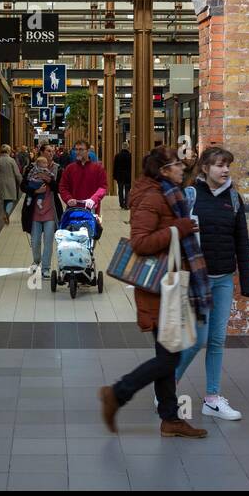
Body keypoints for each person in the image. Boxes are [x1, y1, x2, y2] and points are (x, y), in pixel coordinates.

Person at [98, 146, 209, 438]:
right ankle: (118, 393)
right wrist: (179, 229)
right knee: (169, 356)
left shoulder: (170, 194)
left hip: (169, 286)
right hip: (159, 288)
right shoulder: (152, 198)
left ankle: (170, 419)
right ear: (163, 171)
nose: (182, 167)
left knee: (168, 352)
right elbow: (140, 242)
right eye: (176, 164)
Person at [174, 146, 249, 421]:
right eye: (220, 165)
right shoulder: (190, 196)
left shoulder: (233, 199)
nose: (225, 170)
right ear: (205, 168)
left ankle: (212, 398)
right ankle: (166, 387)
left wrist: (247, 280)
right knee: (199, 339)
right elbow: (175, 235)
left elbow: (241, 241)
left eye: (227, 165)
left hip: (223, 279)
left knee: (218, 339)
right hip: (197, 279)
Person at [21, 155, 63, 277]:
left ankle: (46, 268)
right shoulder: (31, 170)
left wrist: (49, 180)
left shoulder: (57, 170)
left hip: (50, 211)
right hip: (34, 212)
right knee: (35, 241)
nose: (51, 154)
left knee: (48, 241)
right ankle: (36, 260)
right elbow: (23, 186)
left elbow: (59, 188)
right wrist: (35, 192)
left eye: (51, 152)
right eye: (48, 151)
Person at [59, 140, 108, 216]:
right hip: (73, 210)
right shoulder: (69, 168)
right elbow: (63, 187)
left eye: (81, 149)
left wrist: (93, 199)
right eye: (76, 149)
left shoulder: (98, 168)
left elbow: (103, 187)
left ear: (88, 151)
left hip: (92, 210)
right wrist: (68, 198)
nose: (78, 152)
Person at [0, 145, 22, 225]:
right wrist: (21, 182)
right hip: (11, 181)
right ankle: (7, 213)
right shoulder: (11, 160)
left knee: (5, 199)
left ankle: (6, 215)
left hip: (1, 181)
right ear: (8, 151)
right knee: (11, 199)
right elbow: (17, 173)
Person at [113, 142, 132, 209]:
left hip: (119, 175)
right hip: (128, 175)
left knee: (120, 190)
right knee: (127, 190)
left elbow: (115, 167)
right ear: (128, 147)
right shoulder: (130, 156)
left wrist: (114, 176)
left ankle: (121, 204)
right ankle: (126, 204)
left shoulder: (117, 155)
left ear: (122, 147)